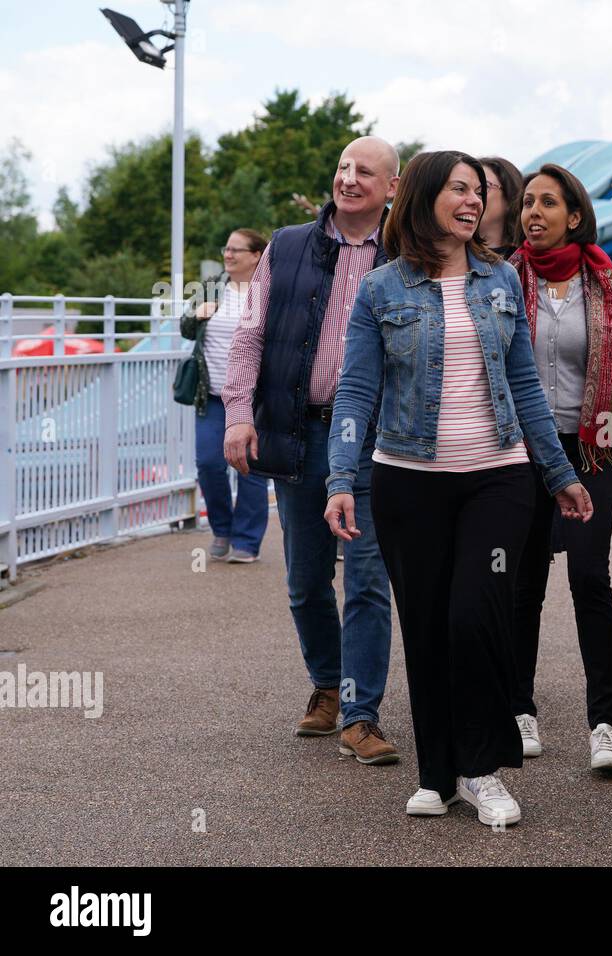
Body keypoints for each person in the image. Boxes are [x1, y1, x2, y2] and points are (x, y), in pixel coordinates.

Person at [325, 151, 593, 827]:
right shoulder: (382, 289)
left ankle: (483, 770)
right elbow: (358, 388)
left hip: (497, 478)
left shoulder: (500, 278)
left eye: (480, 191)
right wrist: (340, 477)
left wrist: (558, 474)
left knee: (474, 617)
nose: (476, 201)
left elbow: (526, 383)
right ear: (421, 197)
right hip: (407, 480)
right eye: (460, 189)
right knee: (426, 626)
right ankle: (438, 774)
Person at [223, 136, 401, 765]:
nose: (349, 179)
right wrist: (238, 417)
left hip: (379, 440)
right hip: (301, 431)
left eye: (365, 172)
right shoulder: (289, 245)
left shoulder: (406, 252)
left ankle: (361, 713)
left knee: (369, 580)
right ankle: (327, 683)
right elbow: (250, 335)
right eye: (342, 168)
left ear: (391, 189)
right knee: (305, 580)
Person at [508, 163, 612, 772]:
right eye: (526, 204)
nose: (532, 213)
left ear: (574, 215)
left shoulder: (607, 287)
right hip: (517, 454)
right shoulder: (501, 279)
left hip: (589, 448)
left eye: (547, 203)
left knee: (591, 579)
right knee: (523, 585)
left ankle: (605, 724)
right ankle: (518, 711)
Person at [181, 228, 270, 563]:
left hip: (253, 398)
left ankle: (247, 542)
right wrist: (195, 314)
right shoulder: (211, 286)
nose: (228, 255)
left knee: (251, 468)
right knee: (208, 463)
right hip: (212, 395)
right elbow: (185, 328)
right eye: (226, 249)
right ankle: (222, 528)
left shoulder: (268, 292)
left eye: (236, 250)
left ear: (256, 255)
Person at [479, 156, 524, 258]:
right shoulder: (450, 257)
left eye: (484, 187)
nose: (473, 197)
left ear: (510, 196)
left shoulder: (532, 260)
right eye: (464, 189)